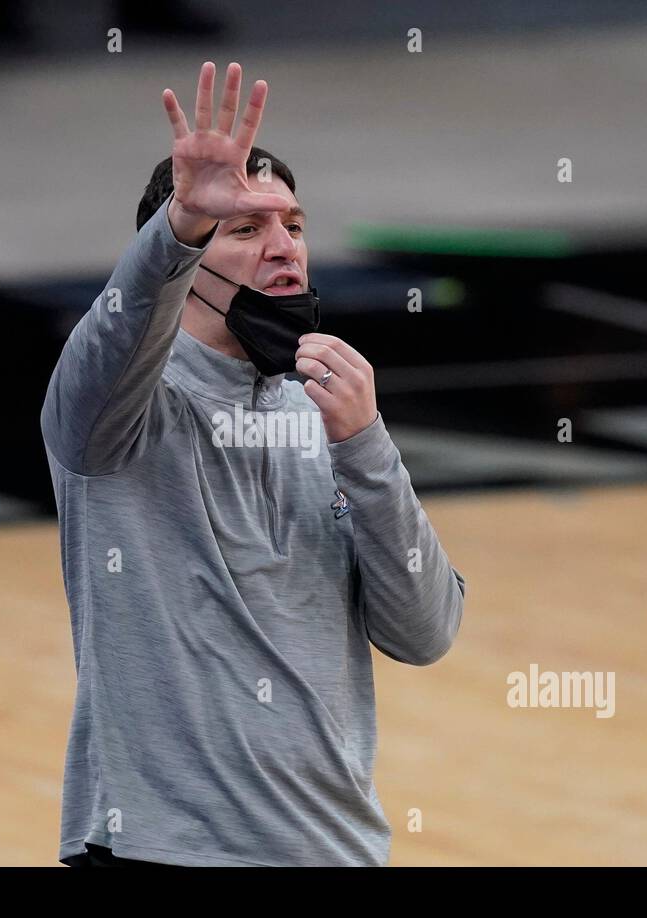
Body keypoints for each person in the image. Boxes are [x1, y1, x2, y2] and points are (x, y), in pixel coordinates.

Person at [42, 61, 466, 867]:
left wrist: (366, 445)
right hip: (165, 851)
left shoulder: (329, 415)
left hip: (331, 849)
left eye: (294, 227)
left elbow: (425, 632)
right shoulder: (114, 412)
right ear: (184, 261)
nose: (284, 250)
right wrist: (180, 225)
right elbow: (119, 328)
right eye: (244, 230)